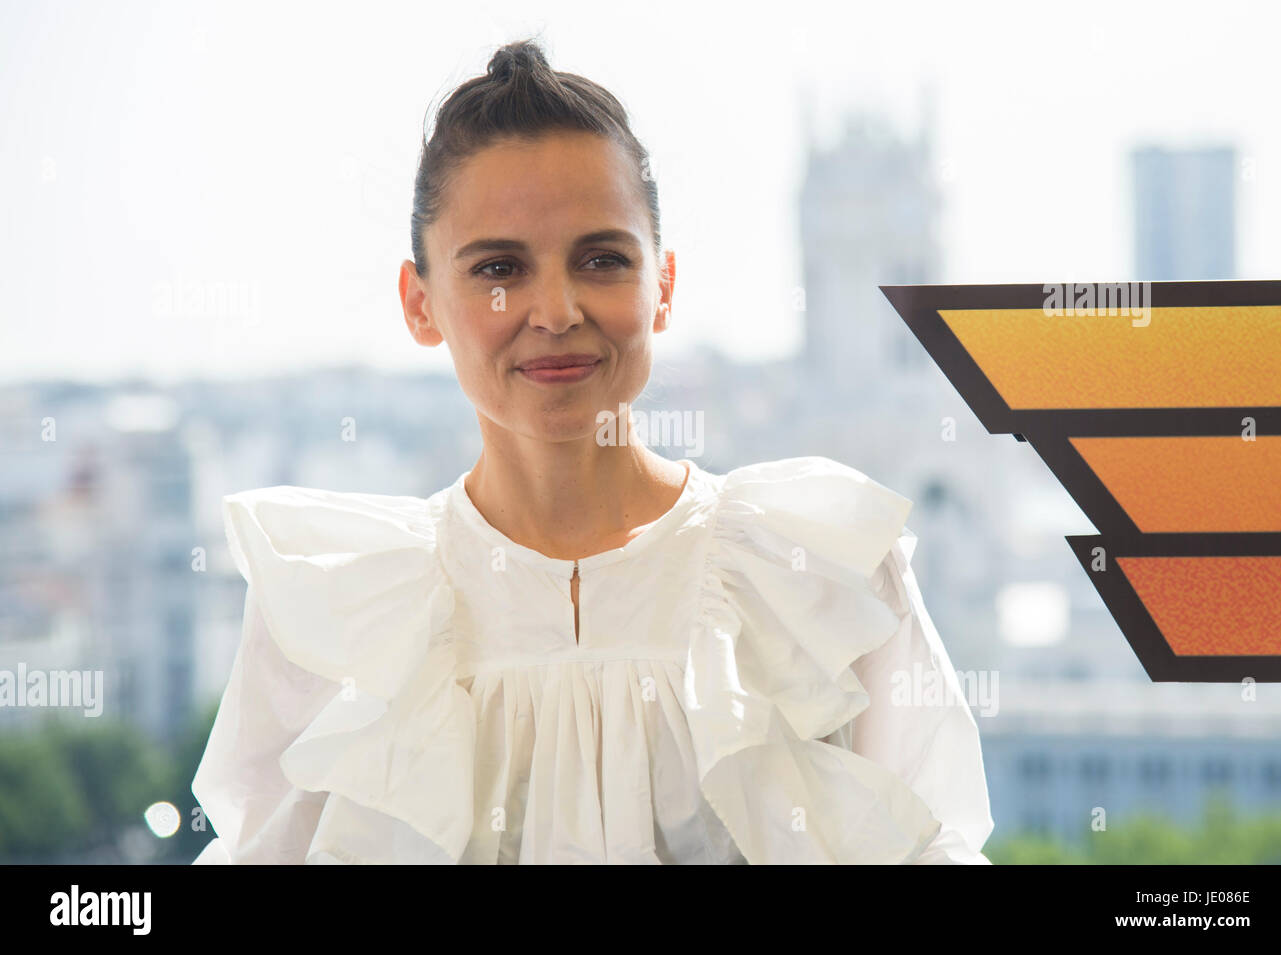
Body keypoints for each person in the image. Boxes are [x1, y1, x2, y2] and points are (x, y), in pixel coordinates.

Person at [190, 38, 993, 865]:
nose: (556, 308)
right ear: (420, 302)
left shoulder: (822, 575)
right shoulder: (334, 615)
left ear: (664, 284)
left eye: (602, 259)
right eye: (500, 268)